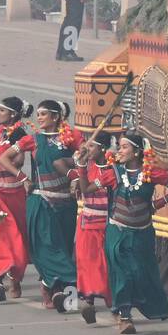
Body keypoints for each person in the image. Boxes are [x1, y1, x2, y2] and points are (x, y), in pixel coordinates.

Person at [75, 130, 168, 335]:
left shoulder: (152, 173)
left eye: (124, 147)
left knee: (140, 273)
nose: (120, 151)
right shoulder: (113, 173)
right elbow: (87, 189)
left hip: (142, 233)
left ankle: (131, 308)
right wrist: (81, 166)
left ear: (136, 152)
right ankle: (124, 316)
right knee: (122, 273)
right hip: (117, 232)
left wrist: (157, 204)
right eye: (120, 147)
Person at [27, 100, 81, 311]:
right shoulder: (33, 139)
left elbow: (87, 158)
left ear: (56, 117)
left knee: (65, 248)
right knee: (49, 247)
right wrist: (22, 178)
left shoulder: (73, 137)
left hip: (66, 202)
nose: (39, 118)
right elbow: (5, 157)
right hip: (43, 200)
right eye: (38, 114)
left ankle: (62, 294)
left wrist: (77, 174)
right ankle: (55, 285)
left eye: (43, 114)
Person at [0, 97, 33, 301]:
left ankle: (15, 278)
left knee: (14, 235)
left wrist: (12, 158)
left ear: (13, 114)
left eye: (2, 110)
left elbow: (18, 161)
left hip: (12, 193)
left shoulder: (20, 135)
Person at [70, 131, 115, 324]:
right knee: (86, 262)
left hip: (109, 224)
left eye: (92, 146)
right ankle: (88, 299)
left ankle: (115, 305)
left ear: (103, 149)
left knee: (107, 265)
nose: (88, 150)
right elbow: (80, 187)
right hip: (88, 221)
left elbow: (87, 187)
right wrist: (77, 171)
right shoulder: (85, 166)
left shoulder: (115, 169)